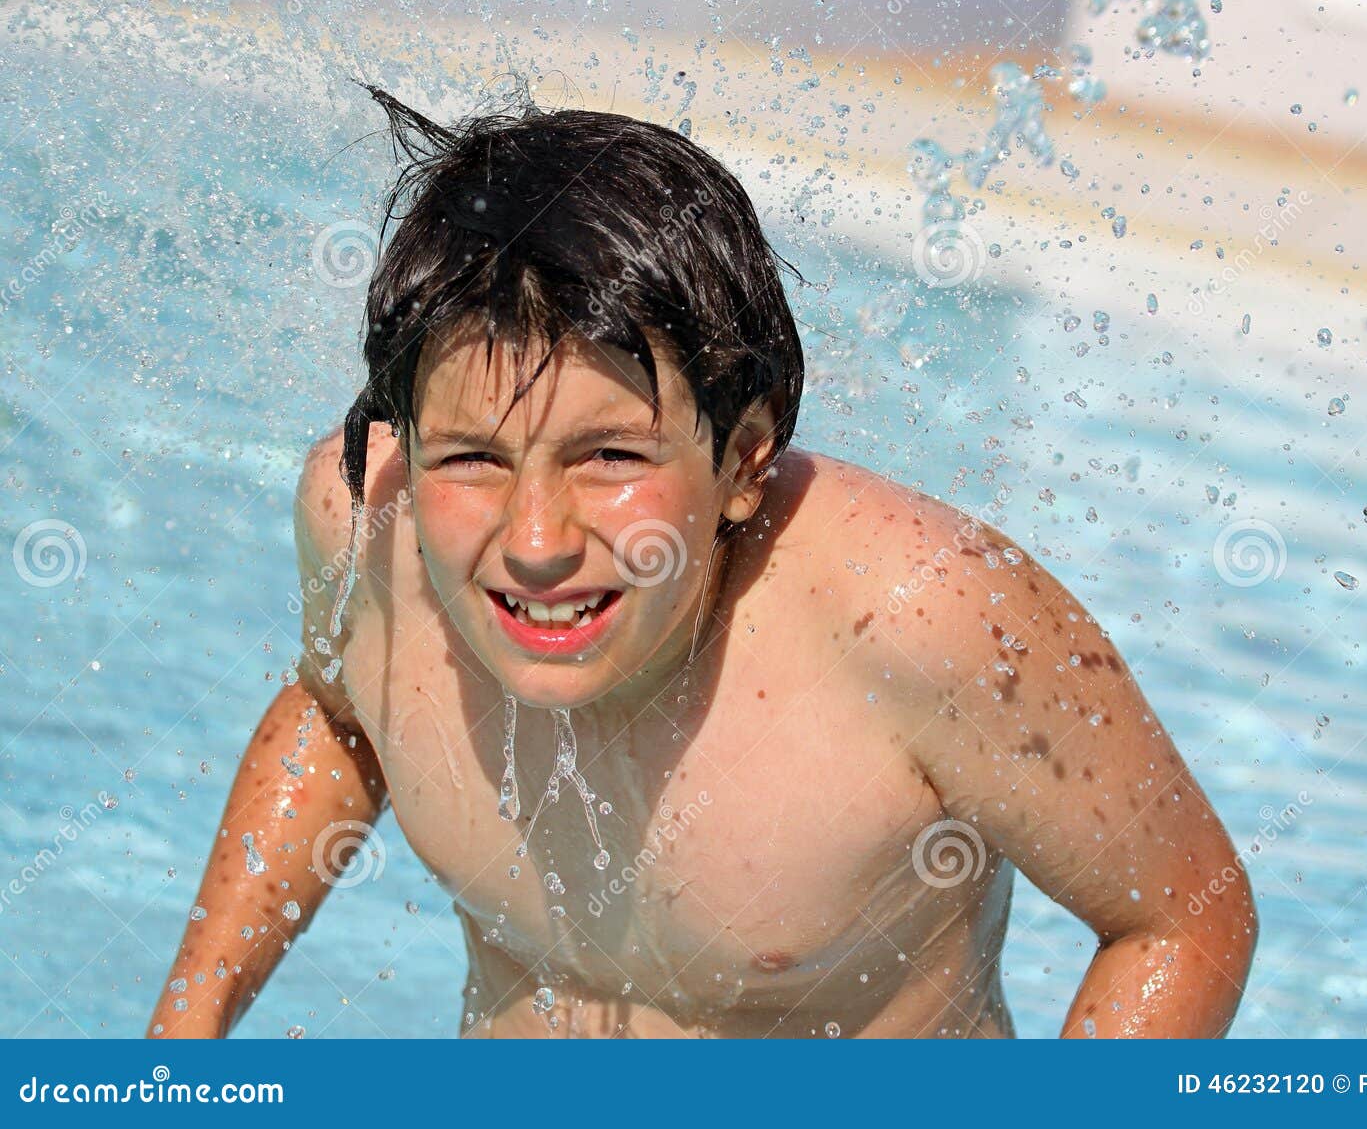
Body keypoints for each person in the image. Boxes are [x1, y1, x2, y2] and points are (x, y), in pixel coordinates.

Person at [147, 91, 1256, 1039]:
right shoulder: (371, 525)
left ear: (743, 457)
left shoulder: (921, 615)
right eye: (474, 457)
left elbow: (1186, 914)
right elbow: (341, 710)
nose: (535, 542)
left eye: (611, 456)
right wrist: (178, 1048)